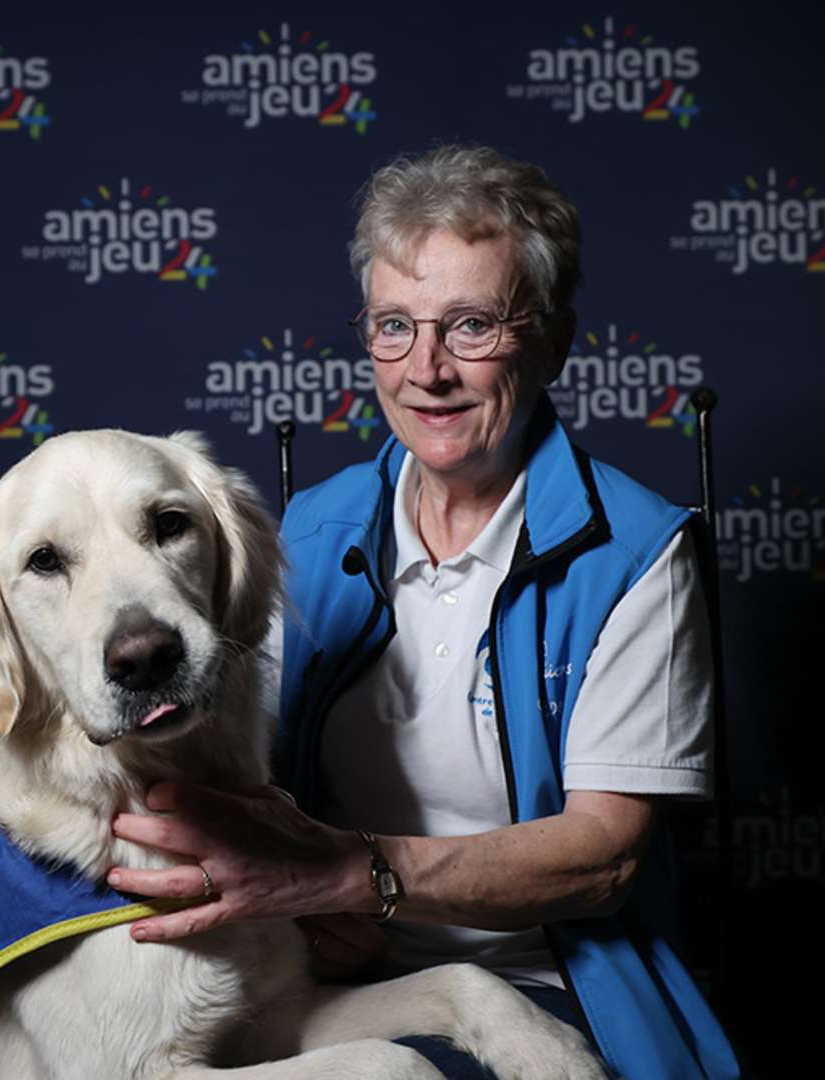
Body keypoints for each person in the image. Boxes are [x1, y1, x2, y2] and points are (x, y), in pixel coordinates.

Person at [109, 145, 743, 1078]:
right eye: (394, 327)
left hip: (544, 978)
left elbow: (602, 859)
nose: (427, 370)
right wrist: (322, 919)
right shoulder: (312, 527)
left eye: (472, 326)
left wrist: (352, 878)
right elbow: (238, 773)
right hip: (313, 976)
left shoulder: (638, 554)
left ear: (554, 341)